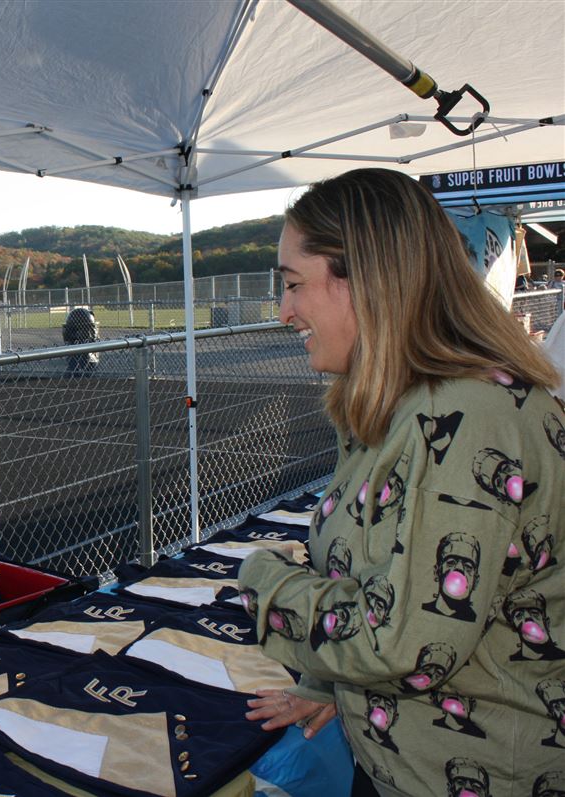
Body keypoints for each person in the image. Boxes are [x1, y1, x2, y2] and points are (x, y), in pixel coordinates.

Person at [235, 169, 564, 797]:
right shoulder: (410, 407)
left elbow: (404, 645)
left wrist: (265, 584)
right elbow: (390, 578)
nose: (284, 312)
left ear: (367, 281)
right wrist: (330, 681)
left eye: (294, 285)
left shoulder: (466, 419)